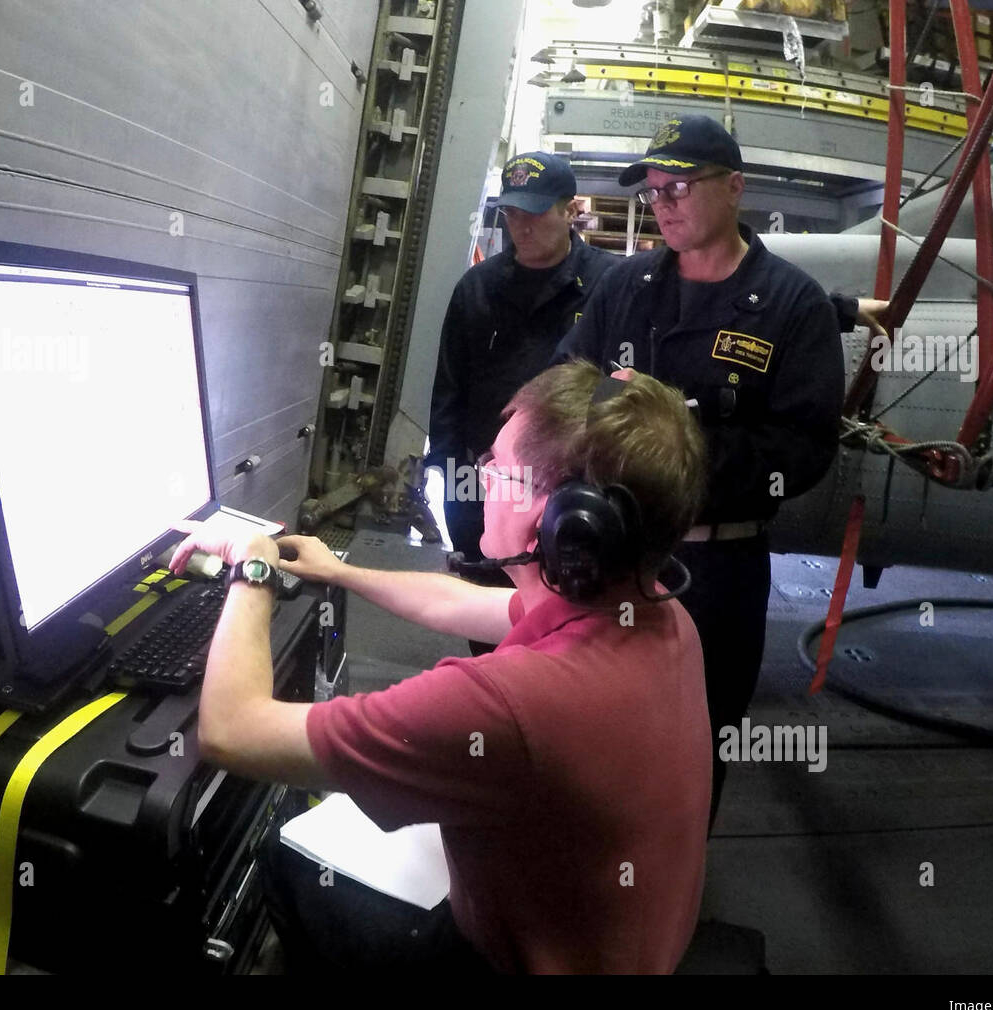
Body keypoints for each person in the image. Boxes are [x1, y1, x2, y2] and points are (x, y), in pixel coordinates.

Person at [170, 362, 712, 974]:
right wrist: (341, 570)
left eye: (499, 468)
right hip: (621, 941)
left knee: (285, 857)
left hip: (511, 959)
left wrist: (253, 567)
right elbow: (460, 602)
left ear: (562, 519)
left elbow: (231, 728)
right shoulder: (656, 613)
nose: (481, 475)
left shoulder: (509, 706)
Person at [553, 114, 851, 825]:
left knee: (696, 742)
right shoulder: (625, 286)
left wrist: (672, 459)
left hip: (717, 571)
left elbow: (805, 447)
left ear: (735, 188)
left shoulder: (792, 305)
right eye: (654, 191)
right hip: (613, 553)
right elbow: (567, 381)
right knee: (592, 728)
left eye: (681, 186)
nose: (664, 203)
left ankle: (671, 899)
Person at [426, 151, 618, 569]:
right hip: (480, 481)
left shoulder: (609, 287)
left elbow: (621, 389)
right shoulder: (478, 288)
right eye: (512, 213)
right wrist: (449, 474)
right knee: (481, 598)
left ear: (570, 210)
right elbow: (449, 388)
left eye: (534, 212)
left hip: (568, 488)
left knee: (560, 611)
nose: (521, 226)